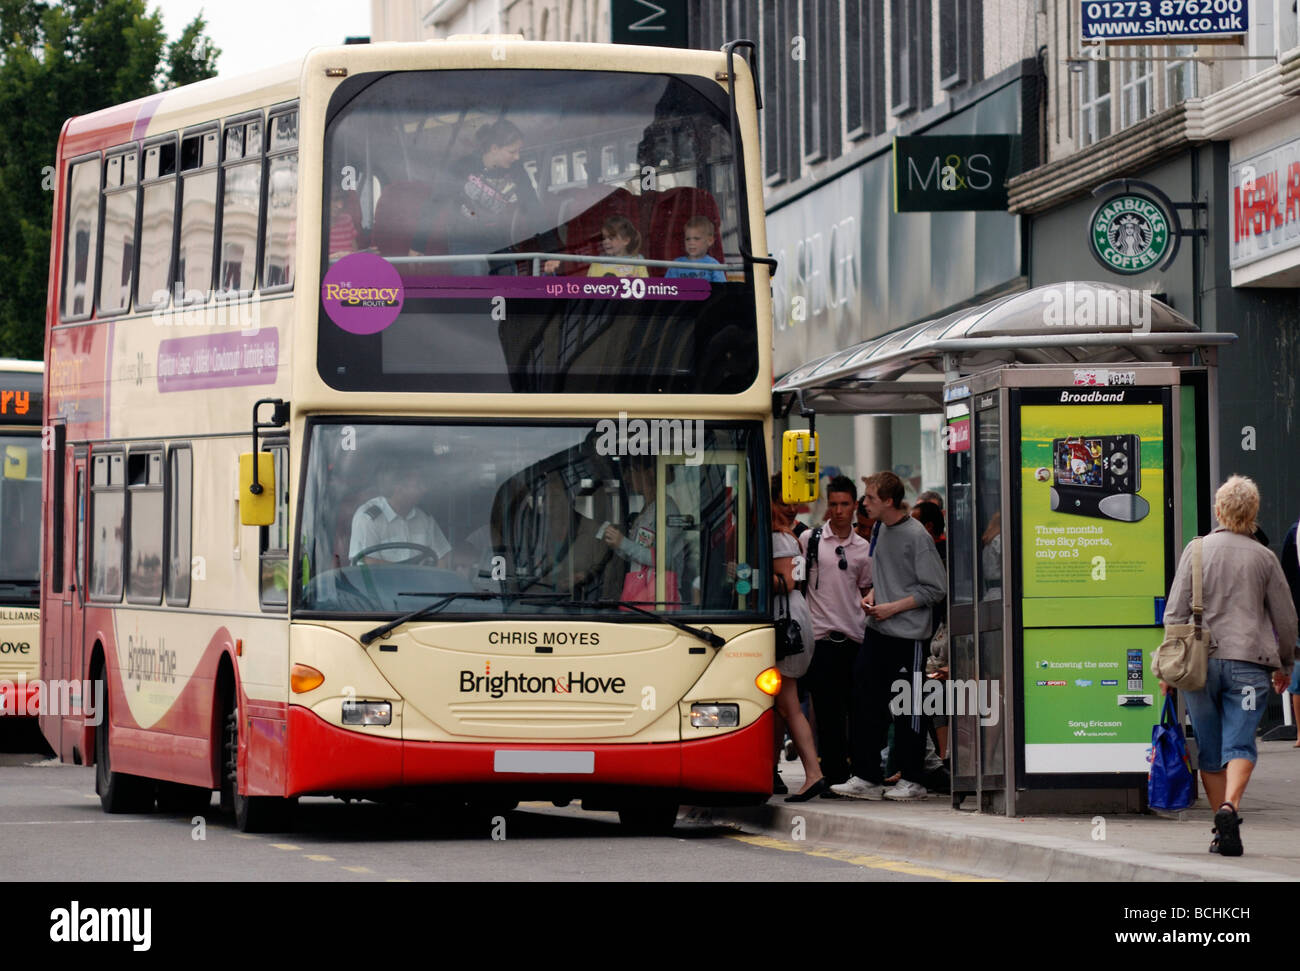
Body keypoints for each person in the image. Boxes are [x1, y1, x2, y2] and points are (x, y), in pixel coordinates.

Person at [1161, 475, 1297, 857]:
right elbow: (1285, 620)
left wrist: (1165, 671)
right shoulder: (1265, 557)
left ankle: (1221, 832)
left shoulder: (1196, 550)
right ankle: (1229, 809)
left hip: (1199, 667)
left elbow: (1175, 613)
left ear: (1219, 511)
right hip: (1250, 667)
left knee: (1209, 749)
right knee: (1240, 745)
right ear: (1253, 514)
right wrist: (1285, 663)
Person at [833, 471, 946, 801]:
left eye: (869, 498)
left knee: (908, 705)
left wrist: (893, 607)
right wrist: (873, 597)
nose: (863, 503)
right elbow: (886, 575)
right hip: (878, 629)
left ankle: (913, 779)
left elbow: (936, 588)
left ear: (888, 501)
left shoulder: (917, 537)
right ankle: (866, 776)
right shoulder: (881, 528)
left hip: (908, 635)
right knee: (865, 699)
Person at [799, 474, 873, 788]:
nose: (839, 510)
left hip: (854, 636)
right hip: (821, 637)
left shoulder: (864, 548)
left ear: (855, 506)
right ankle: (833, 775)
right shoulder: (810, 541)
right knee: (827, 713)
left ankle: (856, 772)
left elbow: (867, 590)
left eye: (845, 504)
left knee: (855, 709)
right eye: (834, 505)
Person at [415, 119, 550, 275]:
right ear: (494, 148)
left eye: (518, 151)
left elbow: (534, 209)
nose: (517, 157)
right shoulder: (462, 167)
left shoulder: (517, 171)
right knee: (475, 276)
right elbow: (435, 203)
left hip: (500, 243)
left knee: (509, 285)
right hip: (465, 243)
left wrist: (550, 249)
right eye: (512, 152)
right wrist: (418, 245)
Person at [770, 475, 828, 801]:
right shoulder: (788, 536)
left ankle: (813, 773)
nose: (792, 508)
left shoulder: (779, 538)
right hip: (793, 619)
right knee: (783, 703)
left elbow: (786, 583)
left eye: (792, 501)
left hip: (785, 623)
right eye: (784, 501)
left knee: (789, 704)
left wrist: (748, 580)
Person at [601, 457, 685, 604]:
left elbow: (662, 559)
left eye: (632, 471)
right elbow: (638, 555)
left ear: (650, 473)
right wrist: (616, 544)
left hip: (658, 598)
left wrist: (623, 543)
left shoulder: (666, 509)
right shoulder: (647, 509)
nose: (627, 478)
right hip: (641, 592)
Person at [349, 462, 452, 565]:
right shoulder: (368, 519)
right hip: (381, 580)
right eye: (418, 485)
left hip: (421, 580)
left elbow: (442, 556)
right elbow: (365, 563)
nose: (424, 490)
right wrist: (406, 575)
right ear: (398, 488)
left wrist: (435, 580)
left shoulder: (424, 517)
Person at [664, 216, 725, 283]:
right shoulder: (676, 265)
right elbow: (668, 289)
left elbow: (721, 290)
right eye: (688, 239)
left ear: (710, 241)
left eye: (696, 239)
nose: (691, 243)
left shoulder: (713, 265)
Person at [1283, 516, 1300, 745]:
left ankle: (1299, 733)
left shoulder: (1295, 532)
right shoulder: (1294, 532)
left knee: (1298, 676)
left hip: (1297, 612)